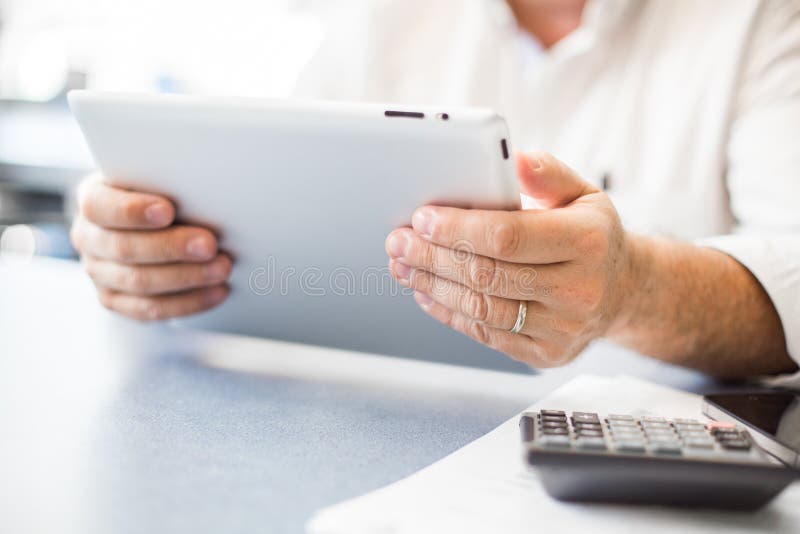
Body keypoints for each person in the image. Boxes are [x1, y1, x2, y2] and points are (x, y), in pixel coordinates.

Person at [70, 0, 800, 382]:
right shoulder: (382, 16)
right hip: (396, 427)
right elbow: (271, 190)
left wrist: (630, 288)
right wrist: (135, 237)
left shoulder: (762, 17)